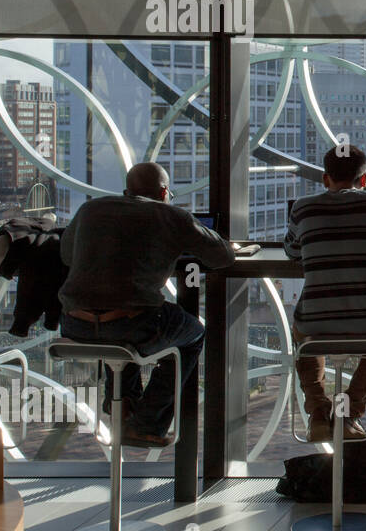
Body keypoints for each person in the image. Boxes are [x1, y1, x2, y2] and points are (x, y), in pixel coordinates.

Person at [58, 162, 234, 448]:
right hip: (132, 324)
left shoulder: (91, 210)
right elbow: (222, 257)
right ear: (165, 192)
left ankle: (123, 402)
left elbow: (67, 255)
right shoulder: (170, 215)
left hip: (74, 323)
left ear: (127, 191)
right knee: (191, 335)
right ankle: (147, 424)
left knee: (125, 331)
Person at [284, 143, 366, 442]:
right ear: (364, 180)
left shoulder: (302, 207)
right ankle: (349, 414)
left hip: (316, 323)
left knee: (302, 331)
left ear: (325, 179)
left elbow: (292, 250)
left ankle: (317, 413)